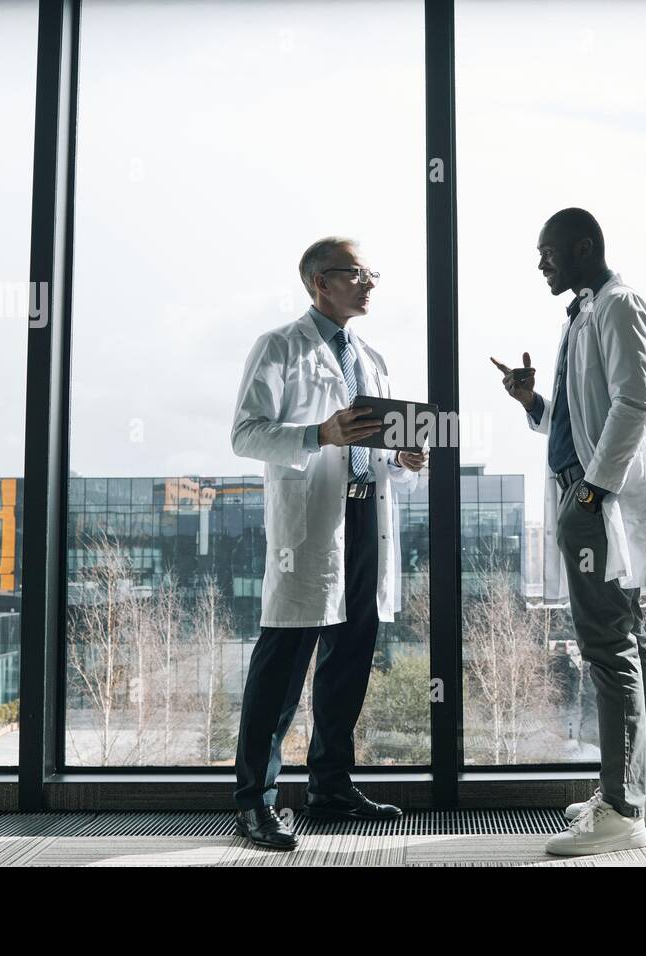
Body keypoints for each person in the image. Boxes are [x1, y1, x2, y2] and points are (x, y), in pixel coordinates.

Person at [491, 208, 646, 856]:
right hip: (584, 490)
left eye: (548, 253)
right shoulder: (581, 315)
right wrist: (533, 403)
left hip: (597, 500)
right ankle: (643, 795)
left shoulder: (620, 305)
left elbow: (636, 404)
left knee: (607, 648)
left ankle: (621, 810)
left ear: (582, 246)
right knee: (625, 642)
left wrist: (593, 495)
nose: (541, 265)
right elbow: (580, 419)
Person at [231, 236, 427, 850]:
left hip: (367, 515)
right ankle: (255, 804)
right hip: (312, 526)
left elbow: (369, 453)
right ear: (320, 281)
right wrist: (320, 432)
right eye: (358, 273)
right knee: (283, 663)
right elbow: (245, 434)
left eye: (372, 272)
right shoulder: (279, 348)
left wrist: (401, 460)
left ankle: (330, 787)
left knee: (349, 657)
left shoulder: (371, 357)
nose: (370, 282)